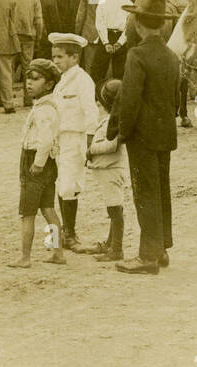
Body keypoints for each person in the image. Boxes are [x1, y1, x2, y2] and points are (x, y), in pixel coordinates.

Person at [114, 0, 182, 275]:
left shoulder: (137, 55)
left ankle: (147, 256)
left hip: (141, 133)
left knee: (145, 192)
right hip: (165, 131)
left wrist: (120, 131)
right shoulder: (171, 56)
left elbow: (129, 99)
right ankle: (161, 247)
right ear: (162, 25)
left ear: (138, 24)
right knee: (161, 189)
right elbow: (177, 100)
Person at [9, 58, 67, 268]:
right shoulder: (47, 106)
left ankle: (25, 257)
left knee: (27, 213)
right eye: (28, 79)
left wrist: (38, 163)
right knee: (48, 209)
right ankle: (57, 252)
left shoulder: (43, 110)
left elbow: (45, 140)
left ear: (49, 84)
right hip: (47, 163)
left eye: (36, 79)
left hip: (35, 161)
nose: (29, 83)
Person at [48, 32, 99, 252]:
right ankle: (65, 232)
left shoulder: (82, 80)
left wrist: (89, 143)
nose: (56, 61)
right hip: (61, 138)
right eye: (54, 57)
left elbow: (91, 111)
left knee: (70, 185)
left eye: (60, 57)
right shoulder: (61, 82)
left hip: (76, 137)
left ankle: (70, 233)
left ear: (74, 58)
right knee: (62, 185)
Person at [83, 78, 129, 262]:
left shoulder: (117, 121)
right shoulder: (111, 119)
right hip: (105, 169)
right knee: (113, 207)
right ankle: (110, 243)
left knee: (115, 209)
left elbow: (112, 145)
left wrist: (90, 150)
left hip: (111, 169)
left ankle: (116, 249)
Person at [93, 0, 133, 86]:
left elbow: (100, 24)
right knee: (120, 70)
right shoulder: (129, 3)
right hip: (121, 37)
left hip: (105, 36)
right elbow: (128, 26)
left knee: (98, 69)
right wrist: (120, 42)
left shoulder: (103, 2)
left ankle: (96, 94)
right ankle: (118, 94)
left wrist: (106, 42)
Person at [12, 0, 45, 105]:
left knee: (9, 67)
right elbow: (38, 20)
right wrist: (39, 37)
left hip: (12, 36)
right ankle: (27, 99)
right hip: (28, 35)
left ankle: (6, 99)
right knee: (27, 68)